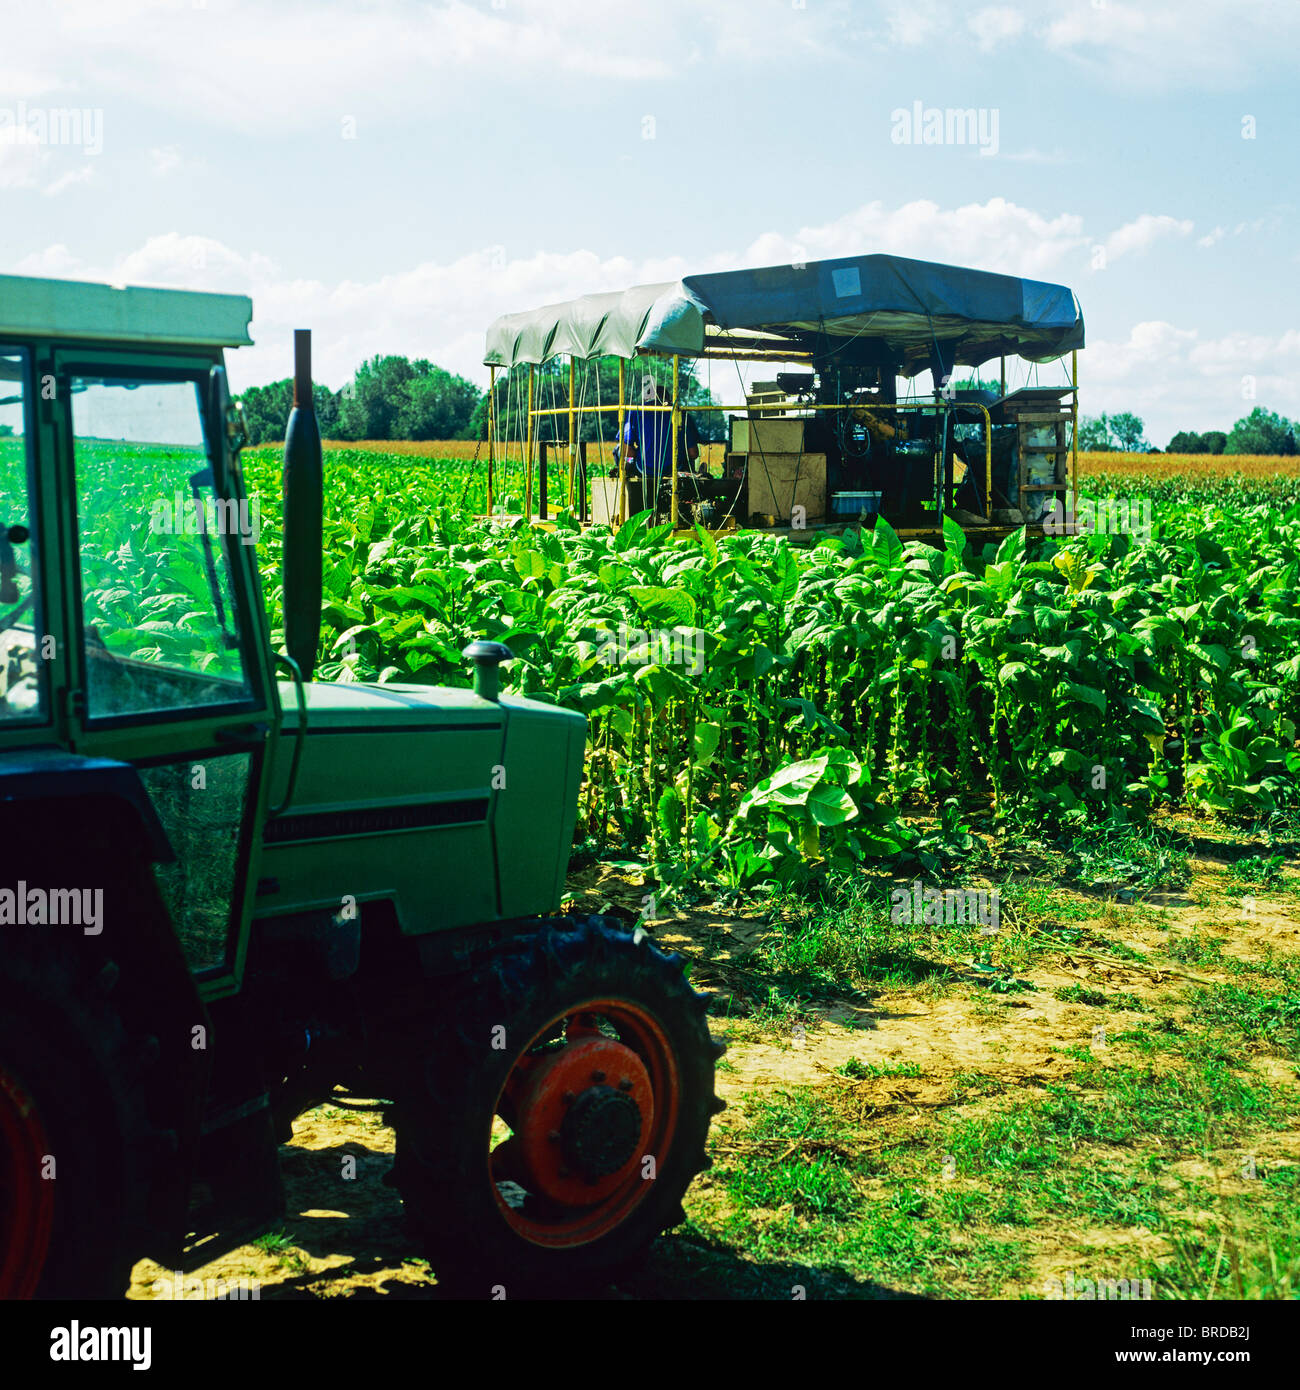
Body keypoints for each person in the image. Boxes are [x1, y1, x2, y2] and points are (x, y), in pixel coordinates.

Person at [622, 377, 700, 506]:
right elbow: (693, 453)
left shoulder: (635, 412)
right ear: (669, 399)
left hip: (645, 469)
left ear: (647, 398)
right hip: (675, 469)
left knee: (618, 452)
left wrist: (640, 451)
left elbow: (627, 451)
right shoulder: (681, 414)